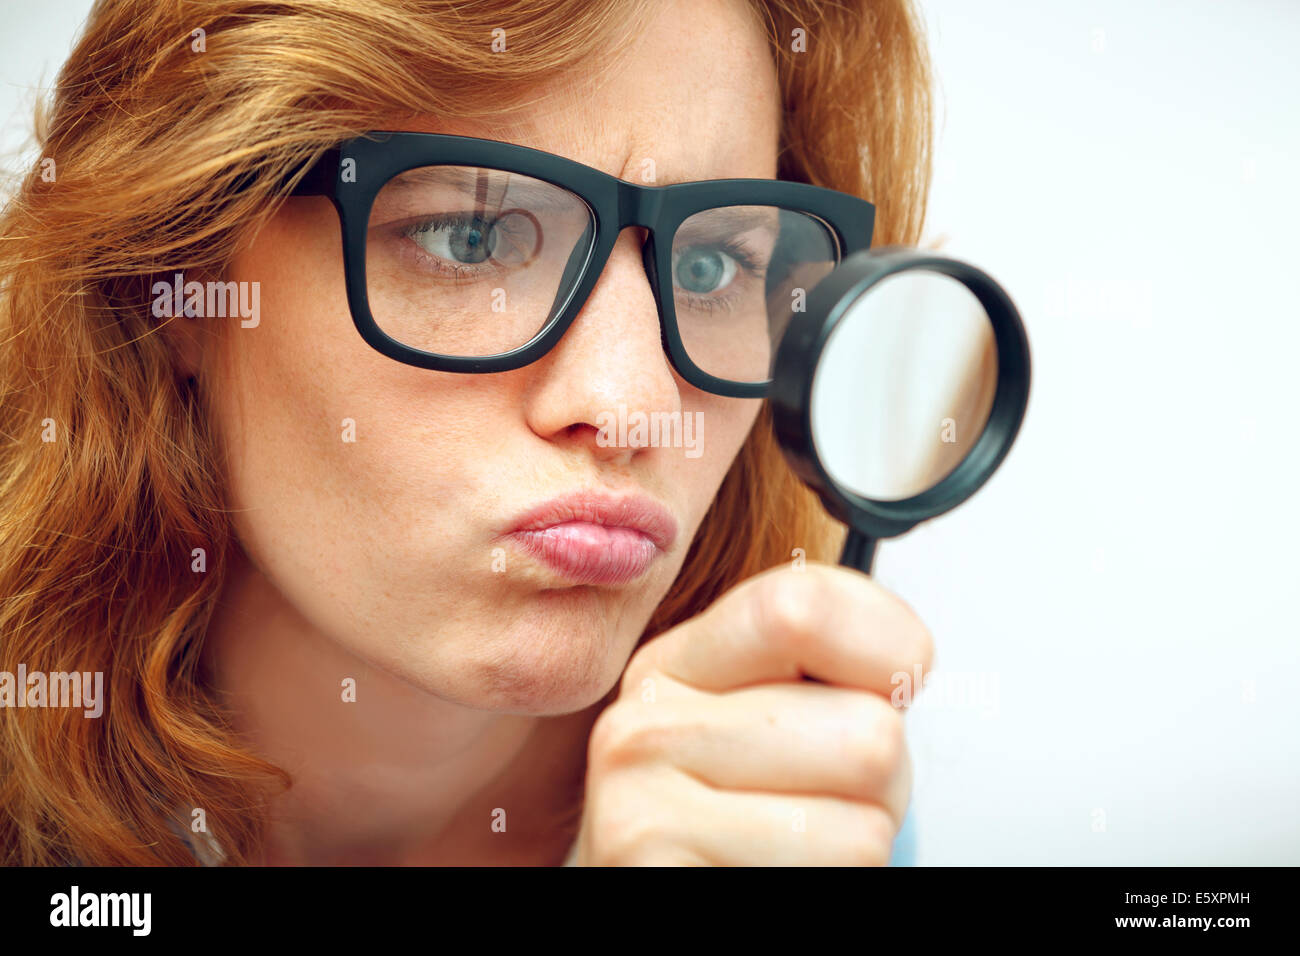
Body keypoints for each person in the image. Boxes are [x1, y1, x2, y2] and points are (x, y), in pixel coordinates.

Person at [0, 0, 935, 866]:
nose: (628, 404)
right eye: (471, 239)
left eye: (707, 264)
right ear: (178, 281)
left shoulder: (778, 809)